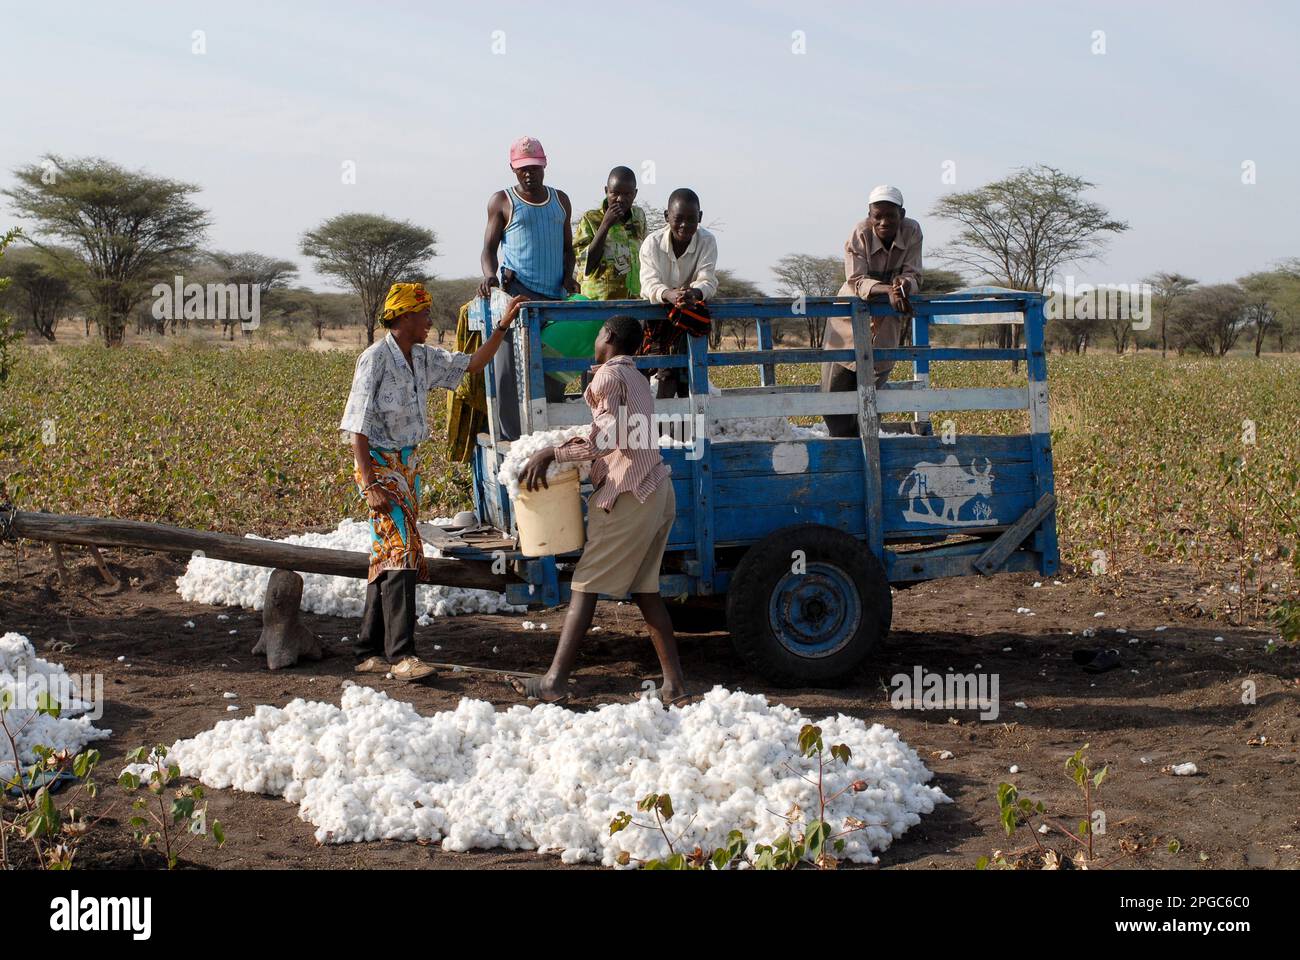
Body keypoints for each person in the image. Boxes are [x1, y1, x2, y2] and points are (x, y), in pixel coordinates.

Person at [340, 283, 527, 680]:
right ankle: (402, 655)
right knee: (404, 551)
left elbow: (473, 364)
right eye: (424, 315)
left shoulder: (423, 358)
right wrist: (369, 483)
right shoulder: (374, 359)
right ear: (405, 317)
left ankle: (367, 650)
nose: (429, 321)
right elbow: (356, 425)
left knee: (387, 554)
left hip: (407, 469)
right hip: (379, 466)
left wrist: (503, 327)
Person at [510, 315, 686, 705]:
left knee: (584, 585)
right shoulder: (639, 378)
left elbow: (608, 437)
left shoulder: (606, 377)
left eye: (597, 335)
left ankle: (555, 682)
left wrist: (554, 452)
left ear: (606, 336)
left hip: (629, 493)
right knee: (646, 591)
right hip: (657, 488)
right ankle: (674, 686)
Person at [477, 136, 579, 439]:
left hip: (554, 298)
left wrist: (568, 277)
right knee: (507, 370)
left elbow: (567, 249)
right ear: (513, 168)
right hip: (518, 294)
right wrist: (489, 276)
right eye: (523, 169)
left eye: (534, 167)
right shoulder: (503, 201)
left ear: (544, 165)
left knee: (556, 366)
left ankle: (545, 429)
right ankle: (511, 437)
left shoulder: (560, 200)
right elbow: (488, 250)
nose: (529, 174)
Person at [821, 184, 923, 437]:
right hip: (849, 316)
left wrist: (903, 286)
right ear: (870, 216)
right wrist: (887, 290)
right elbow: (856, 280)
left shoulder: (912, 230)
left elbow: (914, 273)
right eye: (877, 216)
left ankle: (868, 443)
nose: (884, 222)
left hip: (887, 316)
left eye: (891, 215)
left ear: (902, 214)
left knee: (875, 384)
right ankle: (844, 444)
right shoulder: (860, 232)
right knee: (837, 390)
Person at [638, 188, 718, 399]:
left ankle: (684, 429)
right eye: (678, 219)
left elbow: (707, 280)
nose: (685, 225)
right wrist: (669, 295)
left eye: (691, 219)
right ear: (667, 217)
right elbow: (648, 283)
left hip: (688, 313)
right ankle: (653, 426)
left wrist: (694, 293)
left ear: (700, 217)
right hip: (656, 314)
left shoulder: (706, 241)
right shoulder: (652, 244)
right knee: (650, 371)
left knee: (683, 374)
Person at [573, 166, 647, 300]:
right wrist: (605, 225)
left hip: (634, 302)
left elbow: (646, 256)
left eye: (627, 194)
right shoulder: (590, 219)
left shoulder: (639, 217)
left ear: (635, 193)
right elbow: (586, 266)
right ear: (606, 191)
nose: (620, 199)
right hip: (598, 303)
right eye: (615, 193)